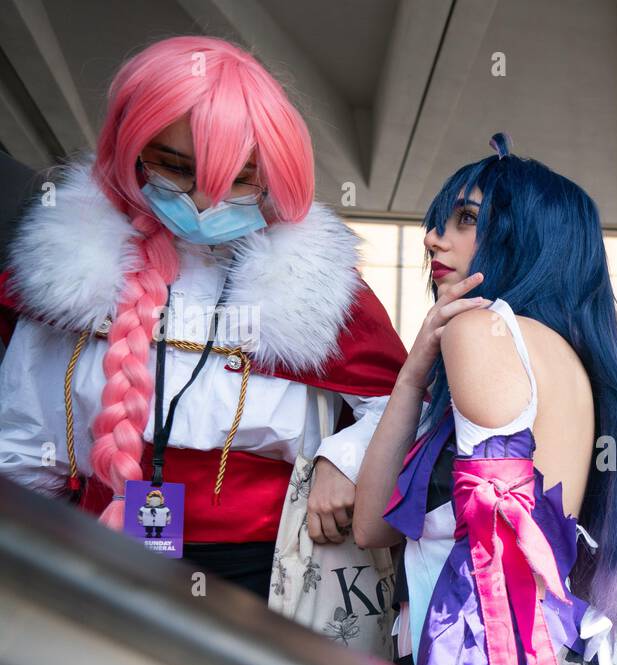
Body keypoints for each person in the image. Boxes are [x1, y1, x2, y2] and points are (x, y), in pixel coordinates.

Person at [0, 36, 405, 600]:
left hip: (274, 571)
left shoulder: (325, 287)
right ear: (131, 148)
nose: (203, 203)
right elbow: (23, 440)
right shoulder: (70, 267)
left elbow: (404, 406)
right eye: (175, 168)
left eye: (239, 179)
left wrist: (346, 458)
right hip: (92, 556)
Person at [353, 135, 617, 665]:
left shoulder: (485, 331)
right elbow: (372, 524)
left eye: (466, 220)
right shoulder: (575, 363)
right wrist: (414, 370)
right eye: (438, 223)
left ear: (528, 239)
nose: (433, 240)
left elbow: (490, 570)